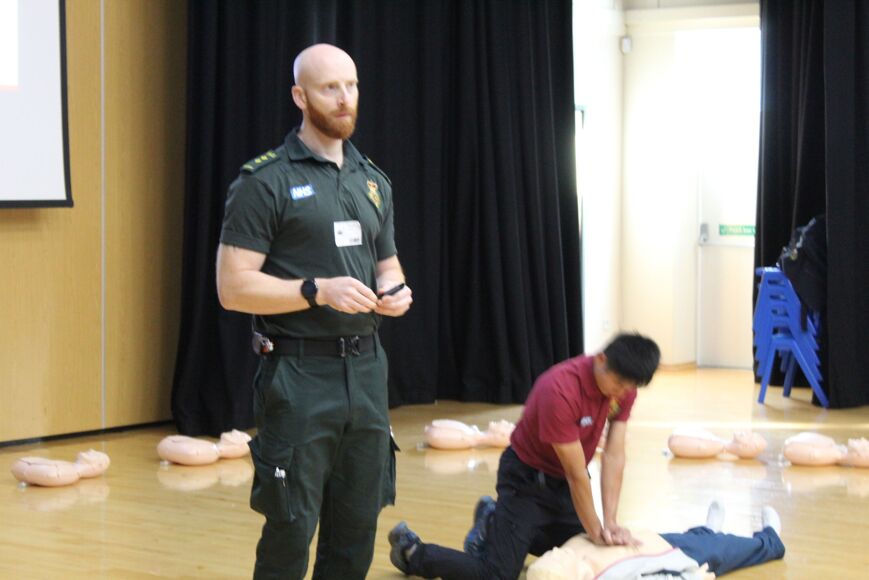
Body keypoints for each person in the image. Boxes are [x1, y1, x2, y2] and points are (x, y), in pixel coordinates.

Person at [216, 43, 412, 580]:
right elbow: (233, 289)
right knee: (290, 526)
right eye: (331, 88)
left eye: (351, 87)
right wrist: (316, 290)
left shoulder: (374, 181)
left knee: (356, 527)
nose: (345, 99)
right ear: (300, 96)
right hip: (299, 374)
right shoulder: (265, 181)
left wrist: (395, 291)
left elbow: (387, 265)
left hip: (367, 371)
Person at [389, 333, 660, 580]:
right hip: (526, 481)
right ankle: (413, 552)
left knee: (580, 554)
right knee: (498, 575)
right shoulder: (560, 390)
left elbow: (614, 455)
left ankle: (494, 521)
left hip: (561, 484)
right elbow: (576, 474)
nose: (622, 392)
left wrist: (609, 522)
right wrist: (596, 530)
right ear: (601, 359)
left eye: (630, 387)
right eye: (619, 383)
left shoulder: (623, 387)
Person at [526, 501, 785, 579]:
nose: (555, 552)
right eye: (556, 560)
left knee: (691, 537)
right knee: (731, 549)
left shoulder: (570, 553)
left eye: (552, 554)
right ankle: (771, 540)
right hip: (678, 560)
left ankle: (706, 530)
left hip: (652, 543)